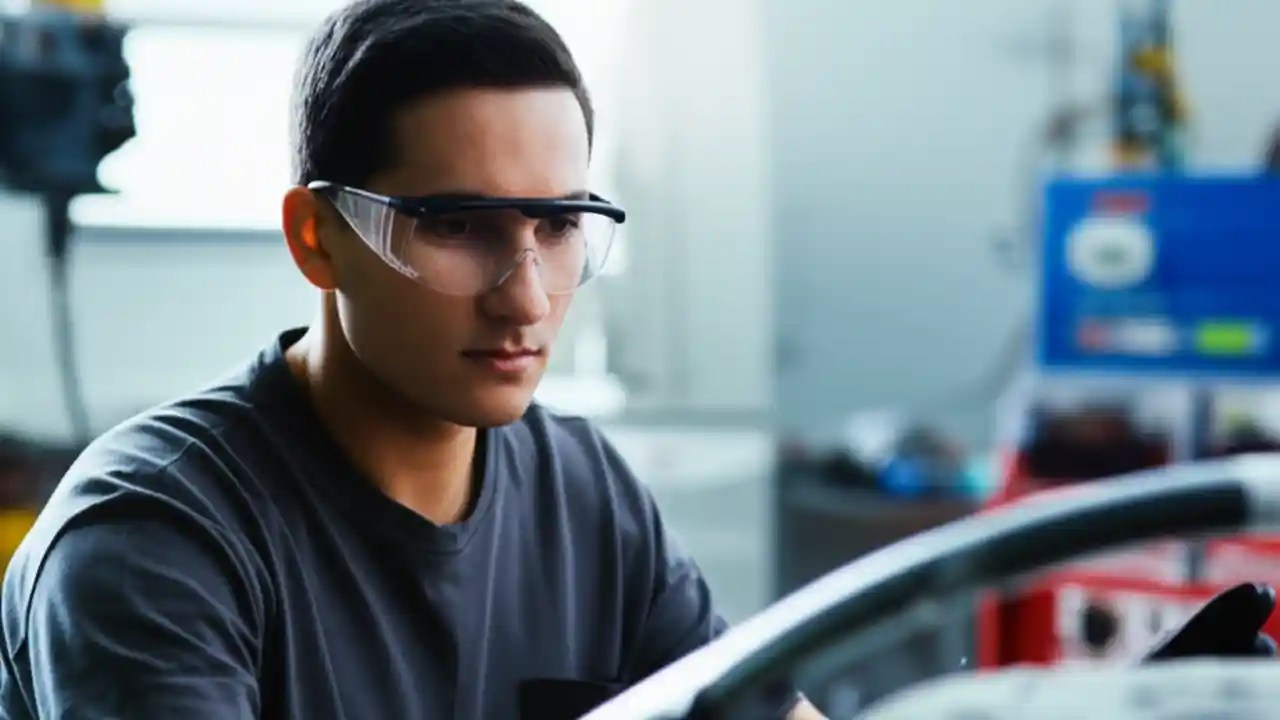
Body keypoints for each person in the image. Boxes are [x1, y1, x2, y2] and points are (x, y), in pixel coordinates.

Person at [0, 1, 823, 718]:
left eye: (559, 226)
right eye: (458, 226)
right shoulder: (153, 537)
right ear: (318, 239)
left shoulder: (586, 494)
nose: (527, 300)